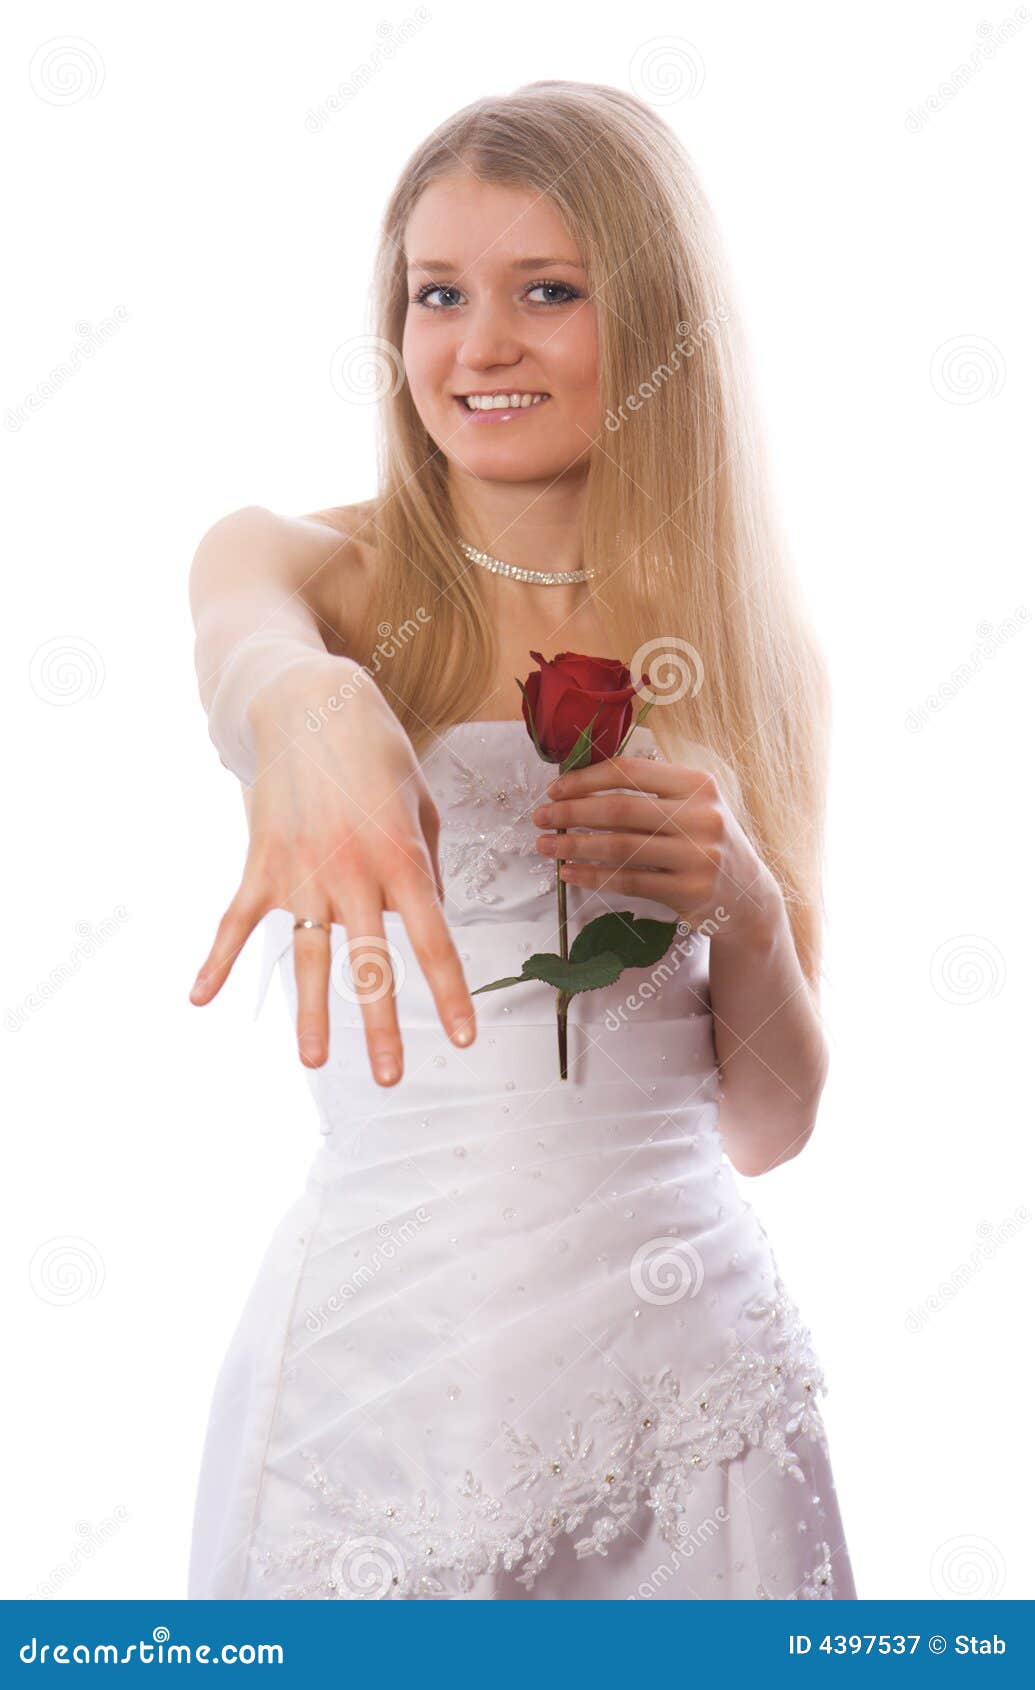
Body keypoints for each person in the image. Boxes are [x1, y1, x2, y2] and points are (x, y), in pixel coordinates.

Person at [186, 79, 857, 1601]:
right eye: (438, 294)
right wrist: (304, 703)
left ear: (658, 324)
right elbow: (242, 644)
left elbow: (772, 1125)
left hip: (692, 1379)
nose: (477, 345)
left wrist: (742, 908)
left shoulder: (759, 654)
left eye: (545, 291)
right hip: (382, 1371)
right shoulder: (318, 575)